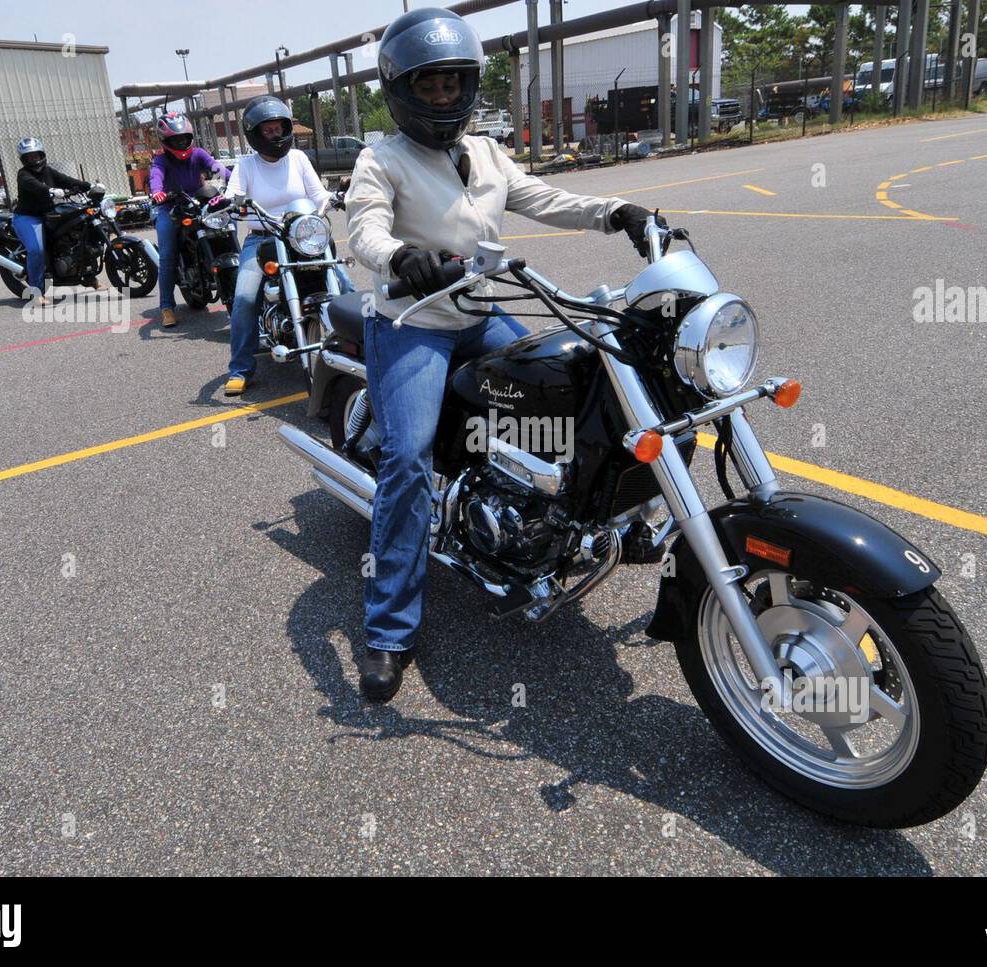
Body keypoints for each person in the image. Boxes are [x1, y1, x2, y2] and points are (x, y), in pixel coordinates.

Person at [345, 7, 663, 701]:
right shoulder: (382, 158)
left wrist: (618, 212)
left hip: (481, 312)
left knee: (571, 380)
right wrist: (401, 257)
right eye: (428, 86)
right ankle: (389, 627)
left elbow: (542, 197)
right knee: (406, 458)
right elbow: (361, 231)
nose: (443, 98)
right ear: (400, 89)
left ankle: (581, 518)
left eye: (453, 84)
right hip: (413, 322)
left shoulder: (486, 153)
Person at [218, 95, 351, 395]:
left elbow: (318, 196)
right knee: (244, 299)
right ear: (255, 134)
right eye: (267, 131)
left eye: (278, 128)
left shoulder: (299, 159)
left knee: (346, 287)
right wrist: (229, 202)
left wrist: (336, 198)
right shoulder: (246, 165)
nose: (275, 135)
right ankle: (240, 368)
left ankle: (362, 350)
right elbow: (233, 194)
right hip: (262, 238)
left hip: (303, 235)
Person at [148, 113, 231, 328]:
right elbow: (156, 176)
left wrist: (233, 178)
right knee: (167, 254)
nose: (181, 143)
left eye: (184, 138)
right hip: (169, 207)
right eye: (175, 140)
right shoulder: (161, 160)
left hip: (199, 203)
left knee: (227, 221)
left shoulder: (198, 154)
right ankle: (166, 306)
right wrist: (157, 192)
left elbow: (215, 166)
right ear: (165, 141)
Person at [12, 137, 100, 302]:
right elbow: (34, 186)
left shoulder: (48, 170)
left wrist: (88, 186)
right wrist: (50, 191)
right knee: (36, 250)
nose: (34, 159)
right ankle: (36, 290)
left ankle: (88, 277)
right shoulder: (23, 174)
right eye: (29, 157)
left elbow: (66, 180)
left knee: (79, 232)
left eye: (36, 156)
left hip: (48, 213)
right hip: (27, 217)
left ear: (42, 155)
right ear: (24, 160)